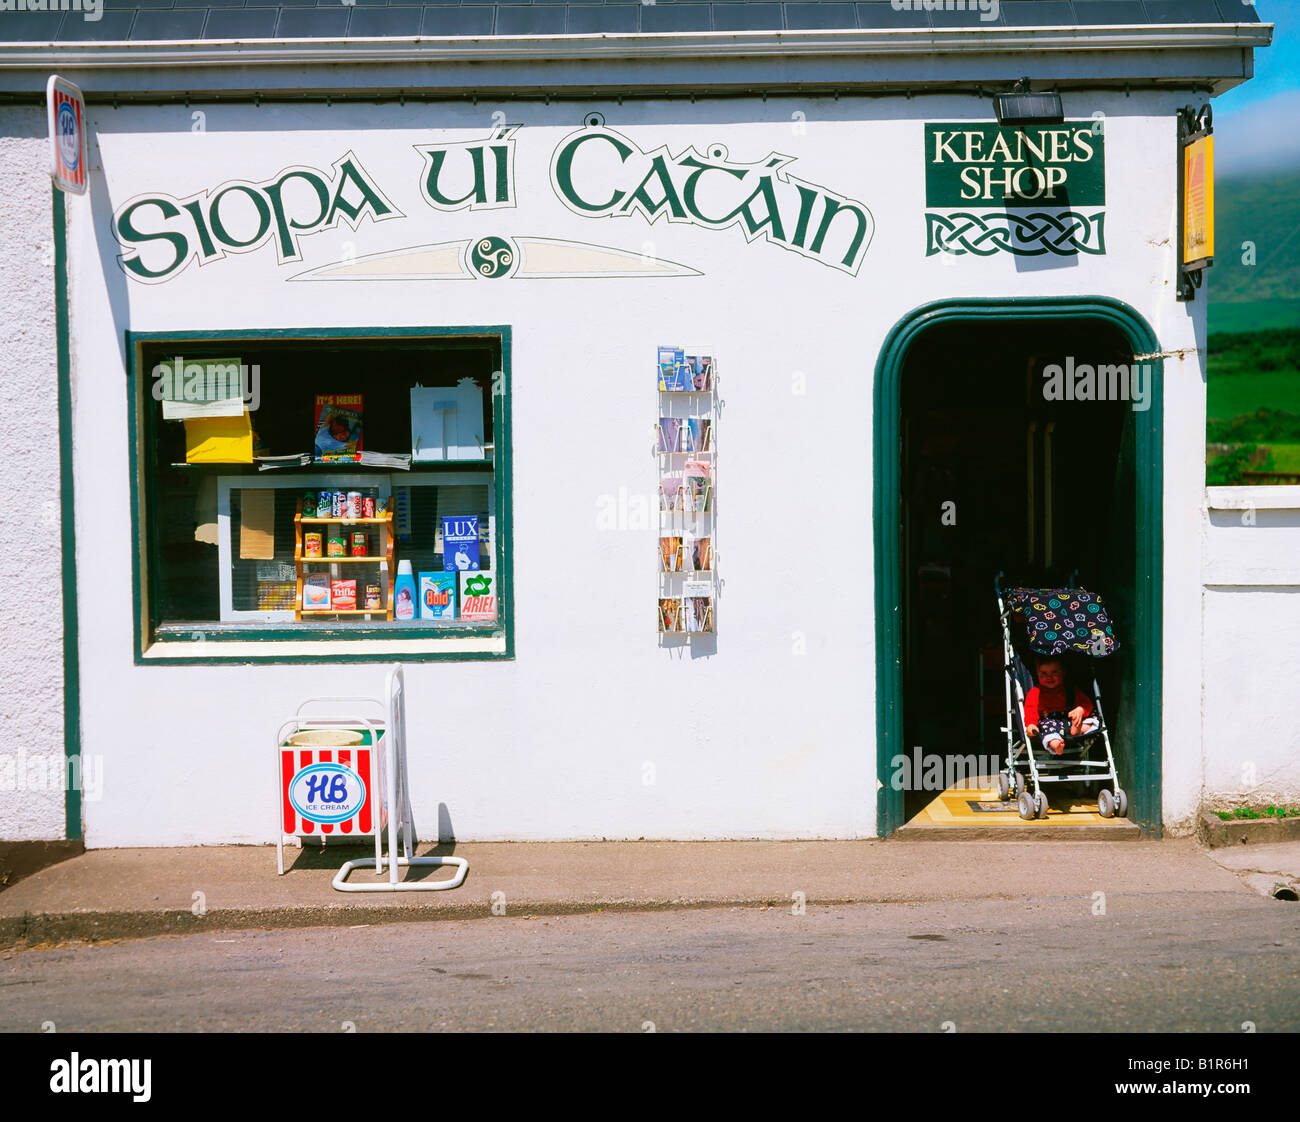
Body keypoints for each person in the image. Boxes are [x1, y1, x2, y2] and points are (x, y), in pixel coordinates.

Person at [1023, 657, 1098, 755]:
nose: (1049, 677)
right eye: (1043, 673)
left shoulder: (1070, 689)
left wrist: (1081, 710)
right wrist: (1031, 724)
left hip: (1070, 719)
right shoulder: (1035, 692)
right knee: (1048, 732)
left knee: (1095, 720)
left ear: (1063, 672)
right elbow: (1030, 711)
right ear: (1037, 674)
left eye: (1054, 672)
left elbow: (1086, 703)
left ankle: (1077, 730)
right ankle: (1057, 745)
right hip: (1050, 721)